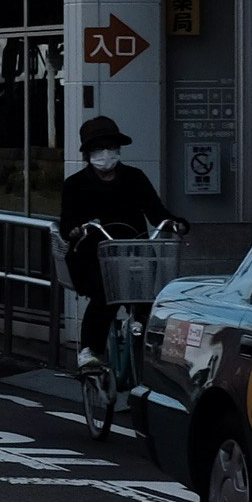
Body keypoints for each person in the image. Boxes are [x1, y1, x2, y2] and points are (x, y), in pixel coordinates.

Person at [56, 112, 170, 364]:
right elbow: (67, 222)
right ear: (87, 154)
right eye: (98, 148)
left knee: (145, 301)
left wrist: (174, 222)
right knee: (105, 295)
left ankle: (145, 353)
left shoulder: (135, 178)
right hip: (91, 257)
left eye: (111, 147)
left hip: (133, 252)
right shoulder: (75, 184)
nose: (106, 154)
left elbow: (156, 211)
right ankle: (89, 351)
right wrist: (74, 231)